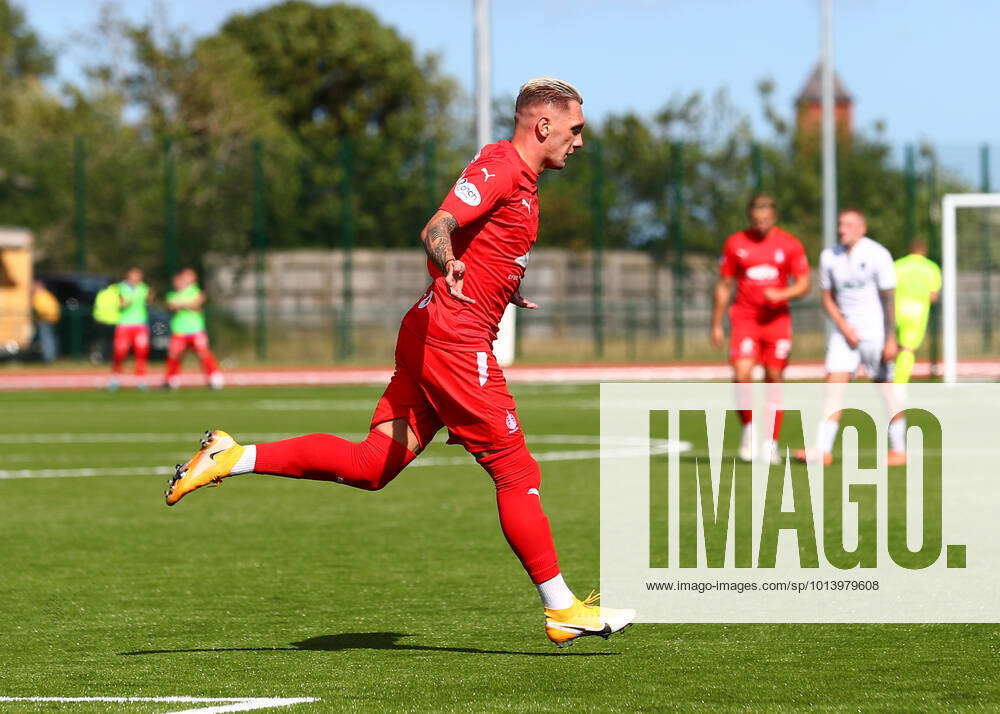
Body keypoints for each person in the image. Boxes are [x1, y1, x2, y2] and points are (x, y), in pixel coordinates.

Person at [164, 77, 635, 648]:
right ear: (543, 125)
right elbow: (438, 227)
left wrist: (499, 284)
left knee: (370, 465)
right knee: (516, 471)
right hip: (454, 343)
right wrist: (451, 265)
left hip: (432, 334)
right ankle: (562, 609)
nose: (580, 141)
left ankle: (234, 457)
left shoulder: (523, 181)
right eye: (575, 128)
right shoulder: (501, 167)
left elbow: (488, 244)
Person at [795, 209, 906, 466]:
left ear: (862, 228)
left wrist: (891, 338)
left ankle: (899, 449)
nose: (842, 229)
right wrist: (844, 327)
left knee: (886, 391)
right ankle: (823, 450)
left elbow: (889, 299)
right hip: (844, 336)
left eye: (848, 224)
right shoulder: (828, 257)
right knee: (833, 389)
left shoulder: (878, 254)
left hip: (875, 335)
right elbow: (826, 298)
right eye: (840, 224)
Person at [711, 195, 811, 463]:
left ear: (774, 217)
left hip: (777, 321)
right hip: (745, 319)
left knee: (774, 375)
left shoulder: (789, 244)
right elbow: (724, 284)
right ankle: (749, 428)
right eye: (757, 220)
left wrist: (782, 294)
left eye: (766, 220)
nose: (761, 225)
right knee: (742, 372)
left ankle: (770, 442)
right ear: (749, 217)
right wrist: (716, 323)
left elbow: (804, 283)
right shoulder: (736, 243)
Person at [163, 268, 223, 390]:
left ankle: (214, 378)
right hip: (179, 330)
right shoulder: (172, 294)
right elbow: (171, 306)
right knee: (174, 355)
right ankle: (172, 379)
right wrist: (186, 304)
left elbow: (196, 304)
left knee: (204, 354)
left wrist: (182, 304)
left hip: (196, 330)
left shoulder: (196, 291)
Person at [893, 239, 941, 384]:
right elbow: (933, 296)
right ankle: (899, 384)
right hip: (917, 312)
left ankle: (884, 378)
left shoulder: (898, 265)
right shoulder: (931, 268)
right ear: (924, 251)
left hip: (896, 309)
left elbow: (889, 289)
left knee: (892, 345)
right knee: (907, 349)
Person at [109, 267, 152, 391]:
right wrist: (122, 303)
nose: (136, 278)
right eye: (134, 275)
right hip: (124, 324)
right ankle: (115, 378)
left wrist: (150, 298)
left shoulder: (144, 288)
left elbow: (147, 303)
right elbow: (116, 304)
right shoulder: (119, 288)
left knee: (141, 352)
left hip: (140, 325)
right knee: (120, 352)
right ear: (128, 275)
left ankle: (141, 379)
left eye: (138, 276)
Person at [31, 280, 60, 363]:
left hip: (45, 319)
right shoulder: (47, 294)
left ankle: (49, 358)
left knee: (46, 339)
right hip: (50, 318)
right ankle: (50, 356)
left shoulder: (40, 295)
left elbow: (40, 308)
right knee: (50, 338)